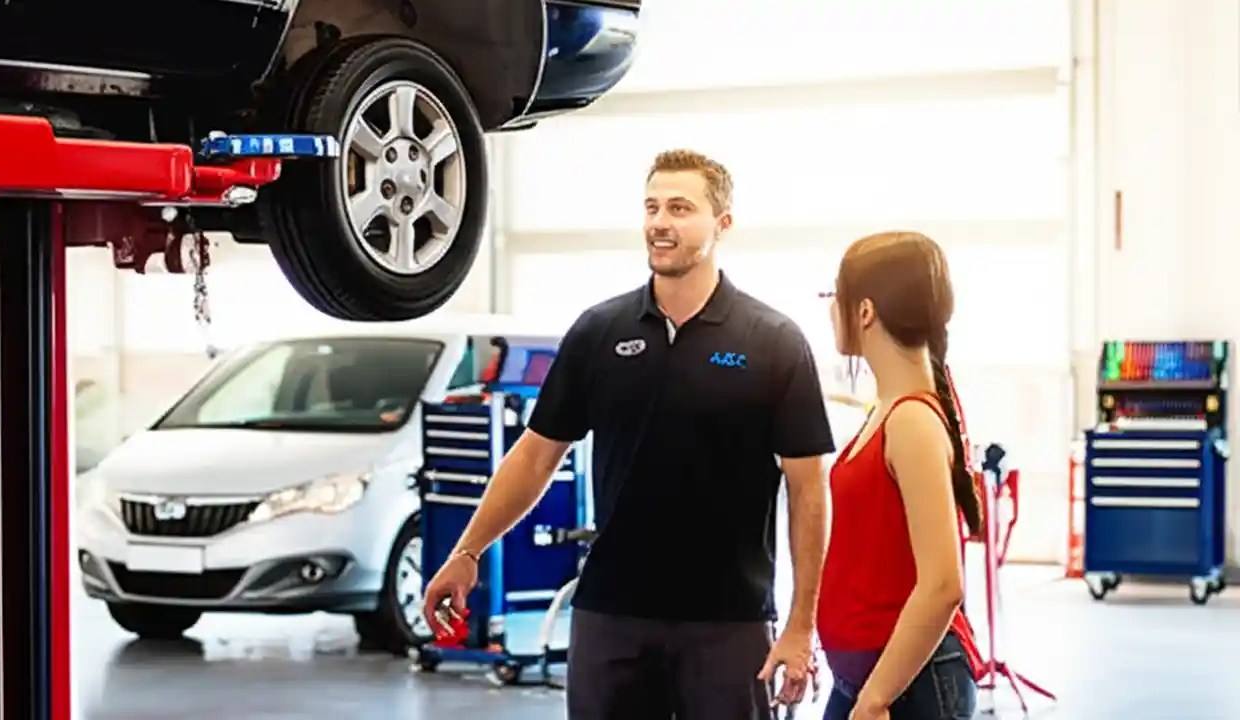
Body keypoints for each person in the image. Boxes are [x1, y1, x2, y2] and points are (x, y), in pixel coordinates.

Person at [422, 148, 838, 719]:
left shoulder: (773, 340)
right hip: (611, 616)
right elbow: (536, 455)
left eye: (680, 208)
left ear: (722, 223)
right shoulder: (599, 331)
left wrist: (801, 623)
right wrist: (467, 551)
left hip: (729, 622)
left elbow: (809, 488)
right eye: (652, 207)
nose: (660, 222)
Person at [815, 231, 985, 720]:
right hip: (867, 681)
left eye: (835, 296)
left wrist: (875, 697)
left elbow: (943, 584)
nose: (831, 310)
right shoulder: (887, 411)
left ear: (865, 311)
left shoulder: (911, 420)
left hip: (908, 687)